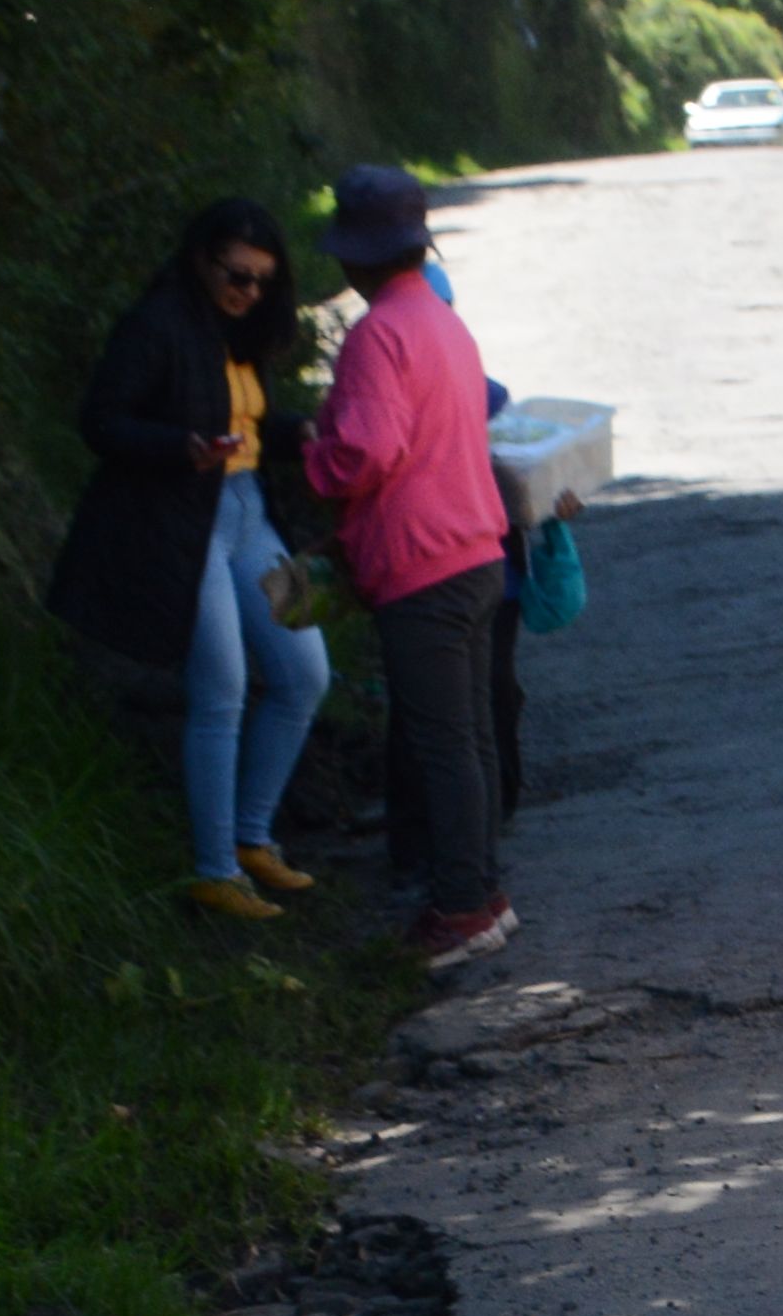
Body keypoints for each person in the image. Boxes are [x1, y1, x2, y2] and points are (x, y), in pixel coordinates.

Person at [48, 199, 333, 921]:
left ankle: (250, 838)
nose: (249, 291)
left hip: (249, 512)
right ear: (201, 259)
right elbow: (102, 420)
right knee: (223, 687)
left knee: (305, 671)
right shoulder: (158, 324)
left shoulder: (241, 331)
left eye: (263, 281)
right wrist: (180, 447)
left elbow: (252, 422)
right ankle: (215, 870)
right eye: (238, 275)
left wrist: (304, 431)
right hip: (184, 520)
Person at [299, 163, 518, 965]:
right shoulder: (443, 323)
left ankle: (461, 908)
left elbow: (370, 451)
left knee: (441, 742)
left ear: (354, 258)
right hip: (476, 554)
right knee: (472, 739)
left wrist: (314, 461)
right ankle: (485, 894)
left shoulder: (376, 337)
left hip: (420, 566)